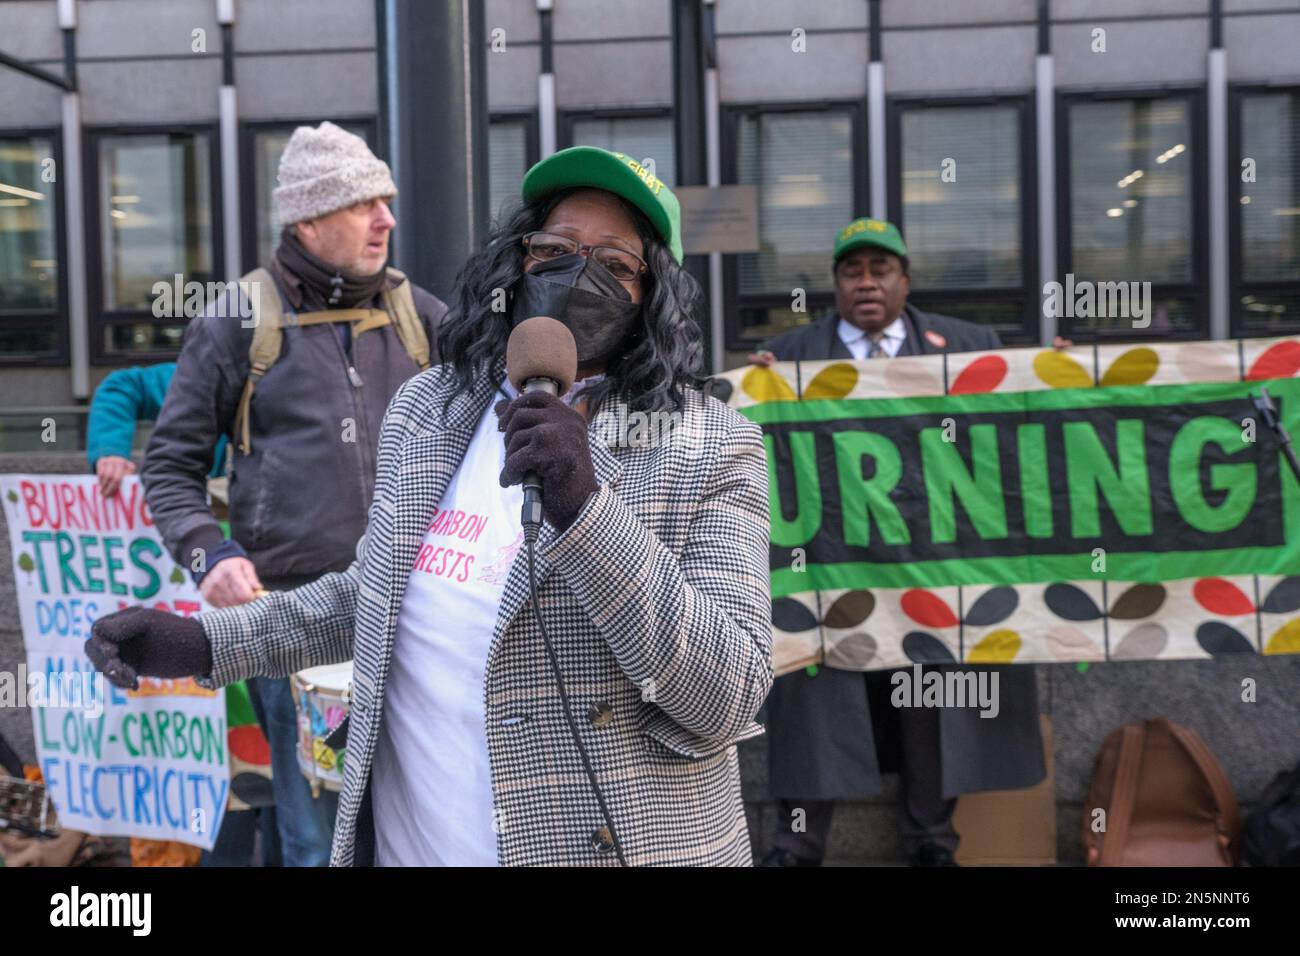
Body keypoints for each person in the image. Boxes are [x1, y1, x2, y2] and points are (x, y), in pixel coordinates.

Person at [88, 145, 773, 866]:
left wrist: (587, 509)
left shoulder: (711, 446)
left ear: (651, 297)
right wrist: (206, 643)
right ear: (517, 262)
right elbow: (376, 596)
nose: (579, 275)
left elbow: (725, 695)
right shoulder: (433, 406)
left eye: (614, 264)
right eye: (557, 249)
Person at [137, 121, 448, 867]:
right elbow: (169, 463)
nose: (387, 220)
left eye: (387, 201)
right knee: (315, 840)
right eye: (363, 204)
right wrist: (208, 553)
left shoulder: (424, 315)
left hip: (417, 614)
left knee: (423, 822)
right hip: (291, 627)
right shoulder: (234, 322)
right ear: (309, 220)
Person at [755, 217, 1046, 867]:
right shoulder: (787, 357)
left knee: (931, 705)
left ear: (904, 280)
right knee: (813, 704)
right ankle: (796, 847)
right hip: (829, 572)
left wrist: (1066, 375)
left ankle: (931, 843)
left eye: (879, 270)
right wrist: (755, 390)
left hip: (931, 574)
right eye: (852, 271)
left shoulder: (970, 346)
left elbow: (1019, 430)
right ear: (835, 284)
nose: (866, 283)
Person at [87, 363, 274, 866]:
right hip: (214, 598)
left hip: (278, 594)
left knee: (277, 768)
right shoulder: (201, 372)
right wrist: (109, 449)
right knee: (230, 766)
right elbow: (120, 386)